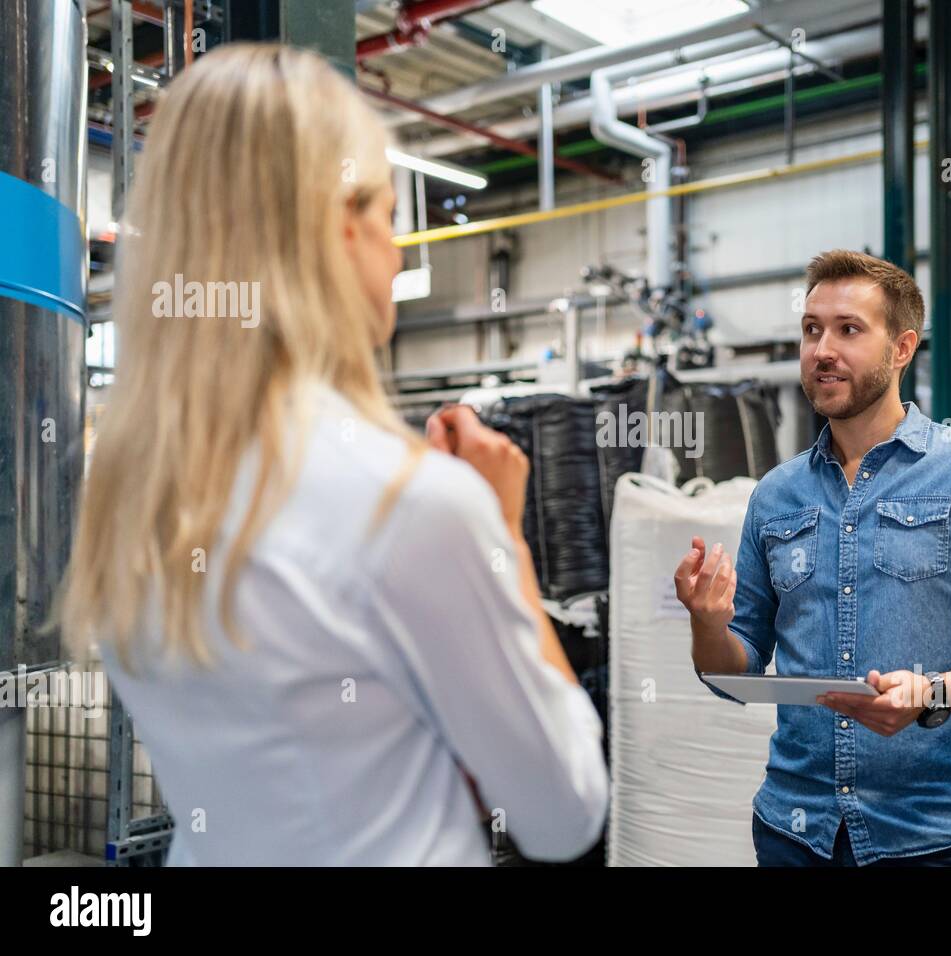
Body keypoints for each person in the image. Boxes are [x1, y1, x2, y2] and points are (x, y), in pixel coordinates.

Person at [59, 44, 607, 866]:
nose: (394, 254)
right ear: (335, 228)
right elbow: (564, 814)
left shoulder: (131, 496)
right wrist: (507, 545)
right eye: (388, 216)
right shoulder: (406, 503)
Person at [675, 250, 951, 867]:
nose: (822, 350)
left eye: (848, 329)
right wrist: (707, 624)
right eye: (811, 330)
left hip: (937, 839)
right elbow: (735, 674)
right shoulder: (776, 495)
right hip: (795, 834)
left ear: (902, 348)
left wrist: (938, 695)